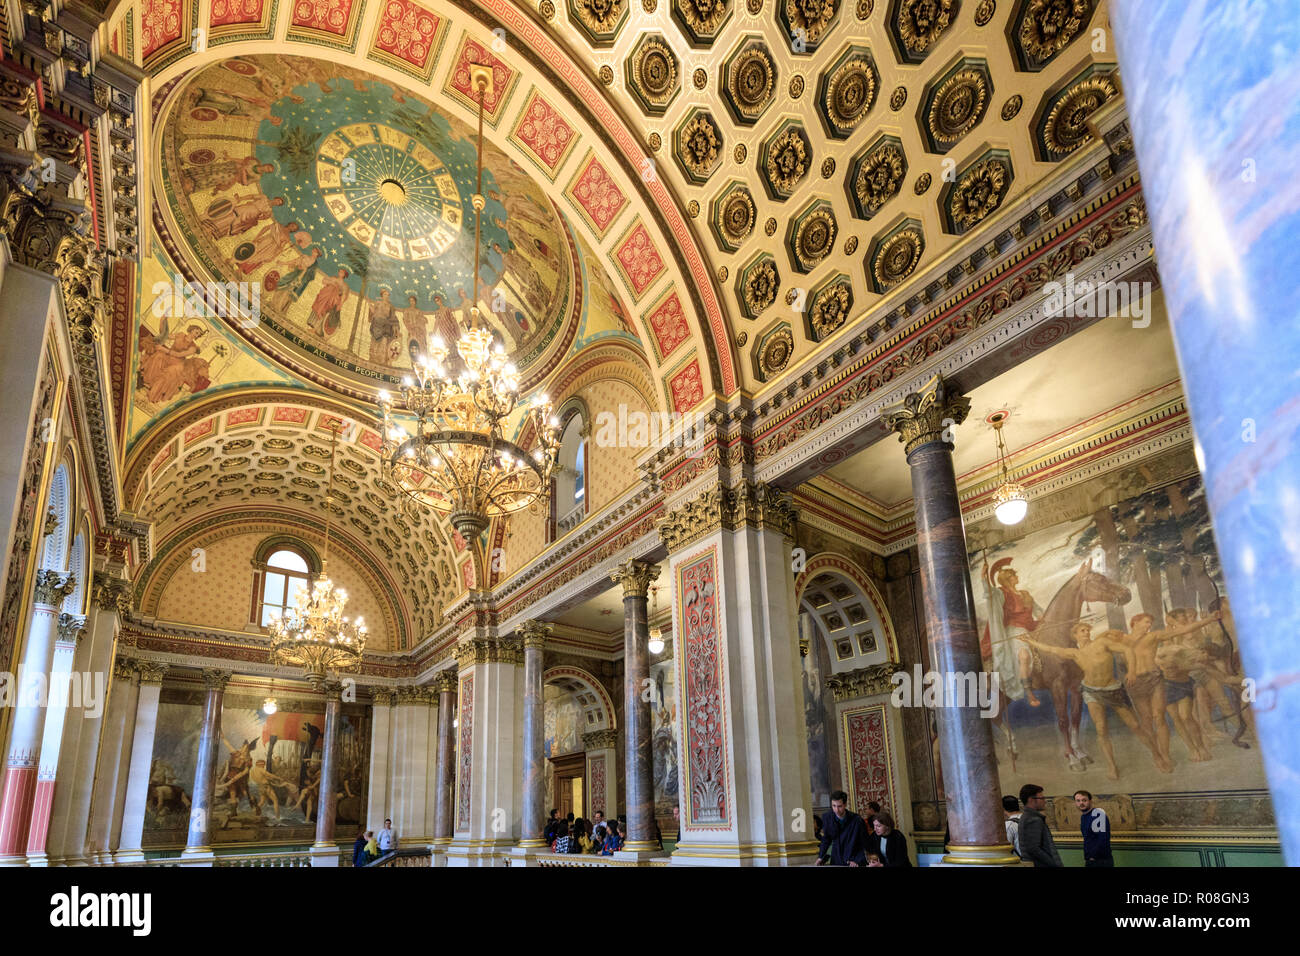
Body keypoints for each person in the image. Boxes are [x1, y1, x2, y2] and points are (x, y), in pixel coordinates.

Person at [814, 790, 868, 867]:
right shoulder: (827, 817)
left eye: (839, 806)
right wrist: (820, 857)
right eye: (834, 806)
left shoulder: (857, 820)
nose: (836, 810)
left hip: (853, 859)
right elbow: (826, 839)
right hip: (836, 858)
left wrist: (858, 861)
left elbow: (864, 843)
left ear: (845, 804)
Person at [1017, 784, 1063, 867]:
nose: (1045, 801)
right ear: (1031, 800)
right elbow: (1034, 849)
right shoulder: (1033, 819)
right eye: (1042, 798)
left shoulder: (1027, 817)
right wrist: (1053, 863)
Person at [1075, 790, 1113, 867]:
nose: (1081, 803)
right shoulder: (1083, 817)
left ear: (1090, 801)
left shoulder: (1098, 814)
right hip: (1090, 860)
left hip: (1101, 861)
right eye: (1078, 801)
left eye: (1084, 800)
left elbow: (1103, 838)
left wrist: (1093, 857)